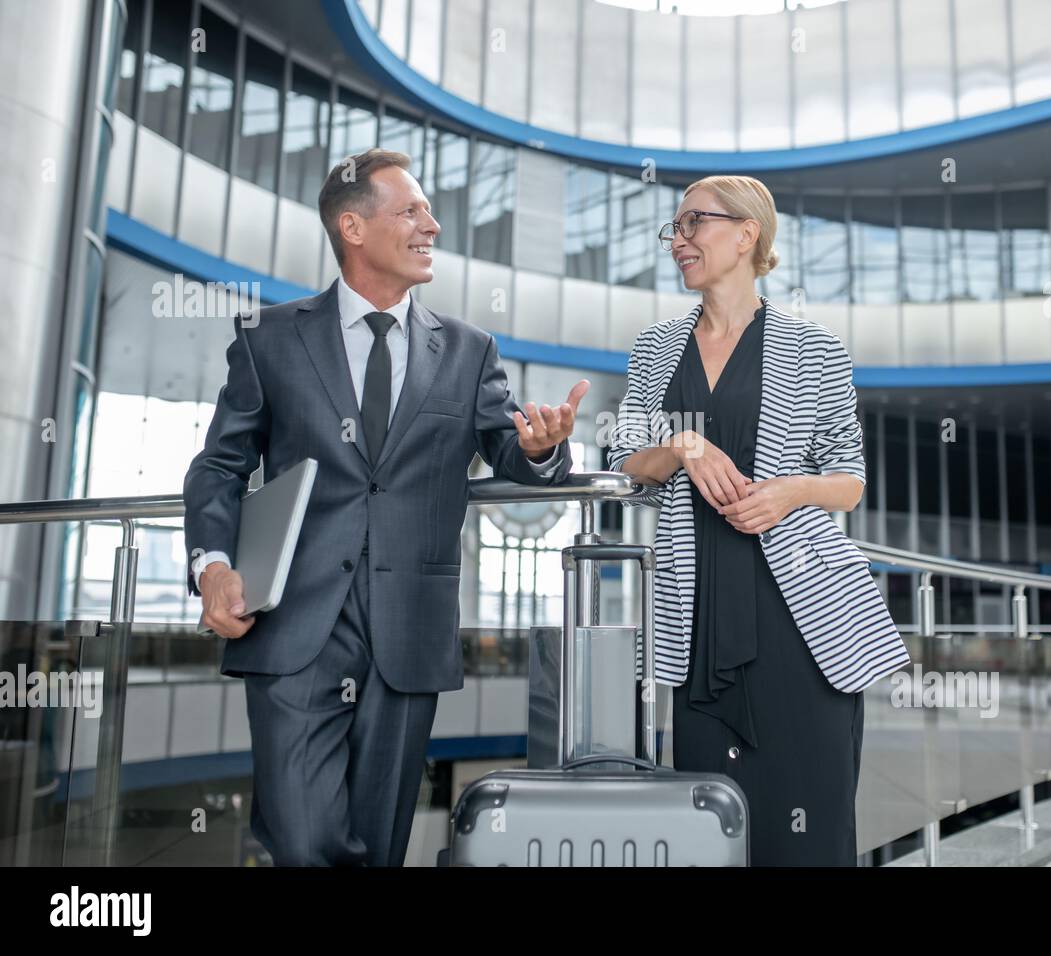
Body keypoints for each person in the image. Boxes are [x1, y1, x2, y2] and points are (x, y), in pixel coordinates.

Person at [183, 147, 588, 866]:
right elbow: (219, 465)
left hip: (407, 633)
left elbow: (511, 454)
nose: (431, 224)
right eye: (411, 210)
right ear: (353, 227)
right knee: (302, 840)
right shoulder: (269, 338)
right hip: (292, 627)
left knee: (380, 844)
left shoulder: (468, 351)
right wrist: (212, 565)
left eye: (429, 210)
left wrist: (540, 450)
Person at [608, 175, 910, 866]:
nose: (678, 241)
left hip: (800, 620)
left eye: (693, 224)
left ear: (747, 234)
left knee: (810, 820)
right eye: (673, 230)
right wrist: (683, 445)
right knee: (709, 827)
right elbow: (627, 461)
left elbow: (850, 481)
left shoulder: (814, 346)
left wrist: (791, 491)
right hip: (697, 619)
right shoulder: (656, 349)